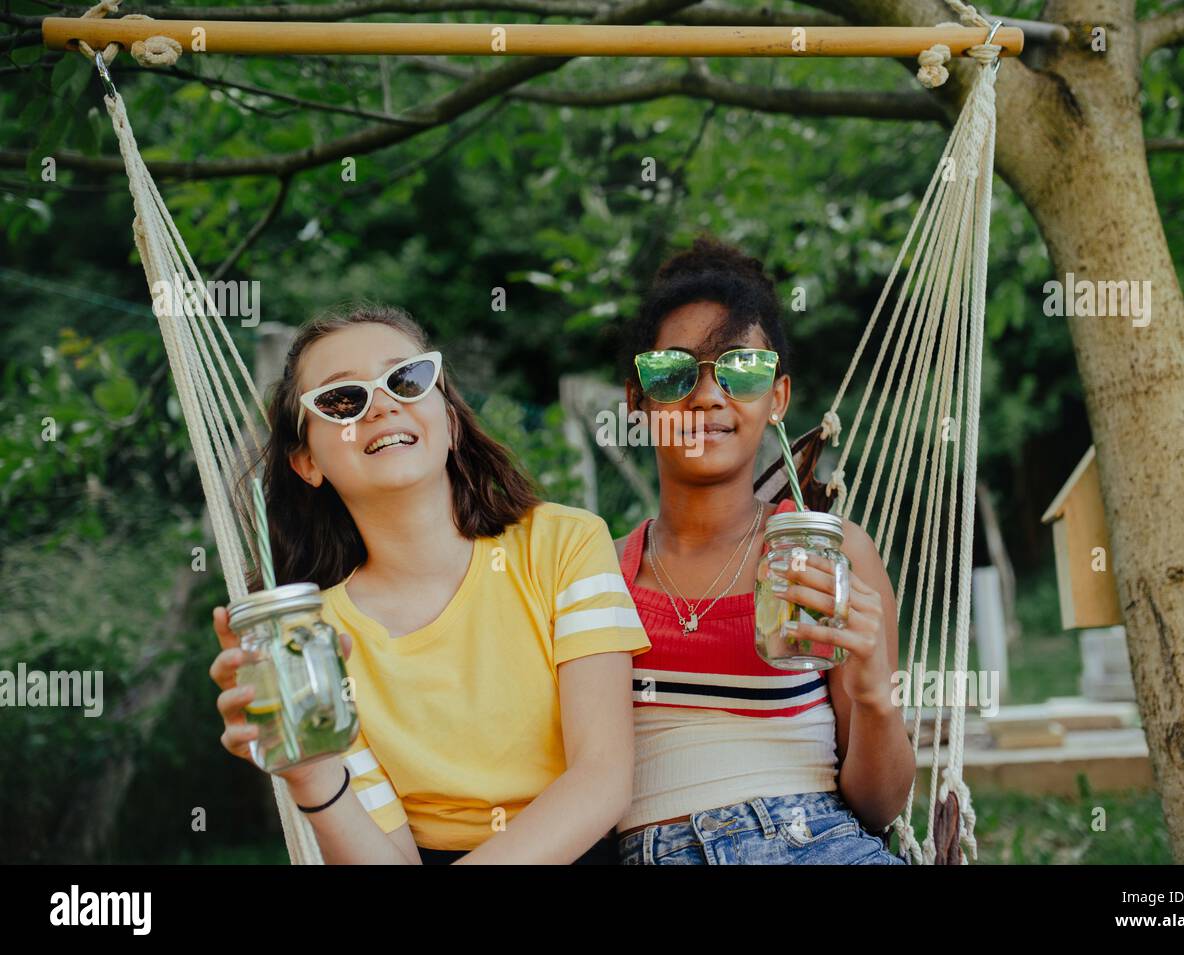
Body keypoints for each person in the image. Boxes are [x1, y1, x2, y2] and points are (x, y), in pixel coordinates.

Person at [209, 303, 649, 863]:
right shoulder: (314, 638)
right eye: (343, 399)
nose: (383, 405)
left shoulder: (565, 544)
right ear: (307, 462)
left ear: (450, 419)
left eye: (407, 379)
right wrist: (312, 776)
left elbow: (602, 780)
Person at [613, 236, 914, 865]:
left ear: (776, 397)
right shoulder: (598, 572)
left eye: (739, 371)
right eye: (672, 373)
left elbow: (879, 807)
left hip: (820, 842)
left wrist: (874, 699)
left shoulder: (830, 558)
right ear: (637, 401)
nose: (707, 397)